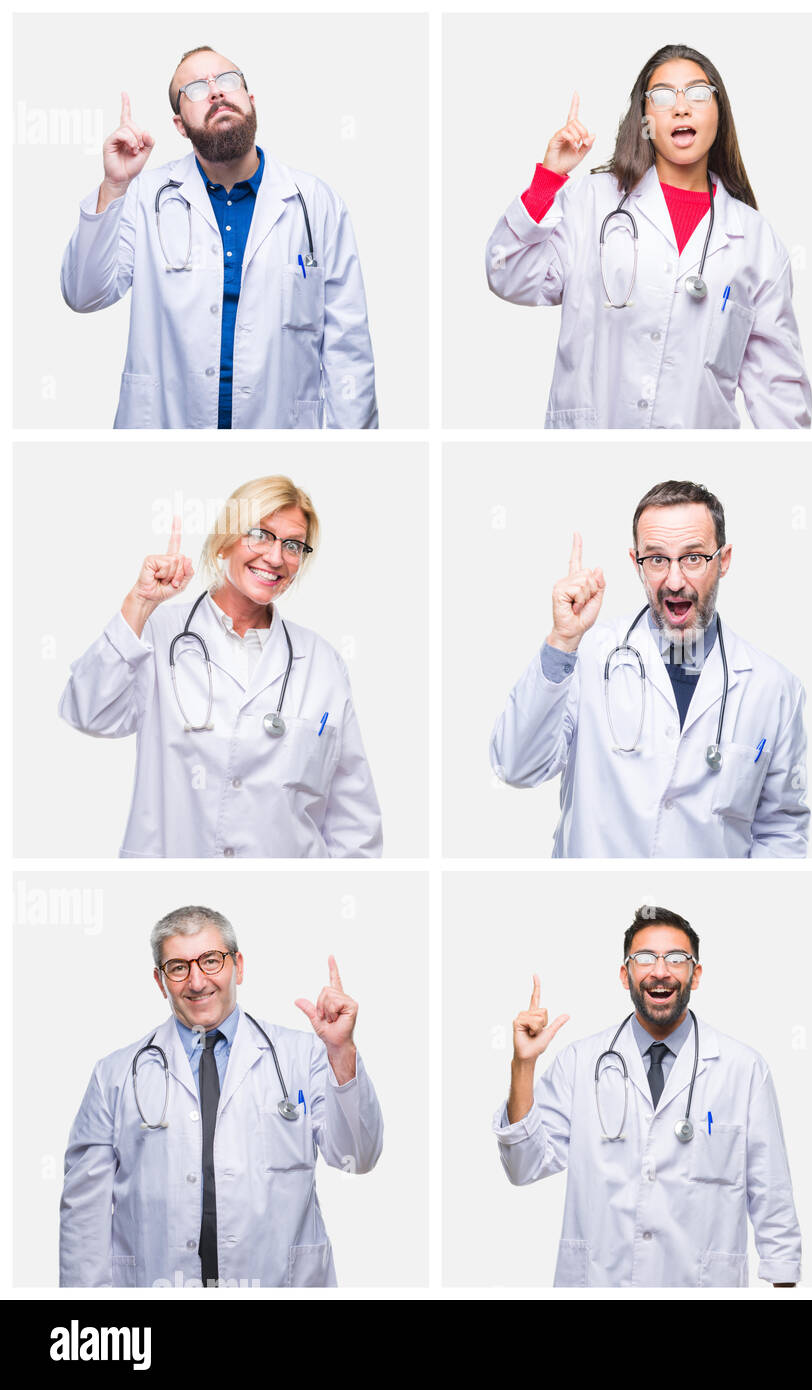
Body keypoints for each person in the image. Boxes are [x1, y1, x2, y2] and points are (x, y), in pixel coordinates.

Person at [485, 43, 811, 429]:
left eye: (698, 93)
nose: (681, 106)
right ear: (644, 119)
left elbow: (779, 391)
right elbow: (507, 274)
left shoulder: (756, 241)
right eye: (662, 96)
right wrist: (549, 179)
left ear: (719, 114)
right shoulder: (590, 202)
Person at [59, 475, 383, 857]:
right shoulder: (158, 632)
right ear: (225, 539)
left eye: (292, 545)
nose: (276, 558)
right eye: (260, 534)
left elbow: (353, 819)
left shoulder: (322, 662)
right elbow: (86, 713)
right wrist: (139, 604)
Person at [60, 906, 383, 1288]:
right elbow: (83, 1215)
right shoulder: (112, 1076)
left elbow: (358, 1158)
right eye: (178, 967)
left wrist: (342, 1051)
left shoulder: (302, 1056)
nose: (197, 982)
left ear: (238, 966)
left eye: (211, 961)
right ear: (160, 981)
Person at [60, 46, 377, 429]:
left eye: (228, 81)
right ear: (179, 125)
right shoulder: (144, 196)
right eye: (195, 88)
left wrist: (354, 450)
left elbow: (349, 353)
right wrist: (114, 186)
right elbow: (84, 294)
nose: (215, 92)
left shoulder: (315, 203)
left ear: (251, 101)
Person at [490, 479, 809, 856]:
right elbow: (515, 766)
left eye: (693, 557)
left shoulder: (774, 688)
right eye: (657, 559)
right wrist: (562, 641)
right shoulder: (587, 654)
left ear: (723, 561)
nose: (674, 581)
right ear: (636, 563)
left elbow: (781, 831)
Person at [494, 907, 801, 1287]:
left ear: (696, 974)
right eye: (644, 959)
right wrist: (522, 1065)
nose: (660, 970)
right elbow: (523, 1166)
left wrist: (784, 1283)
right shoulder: (580, 1062)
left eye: (676, 959)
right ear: (625, 975)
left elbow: (772, 1191)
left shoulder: (744, 1069)